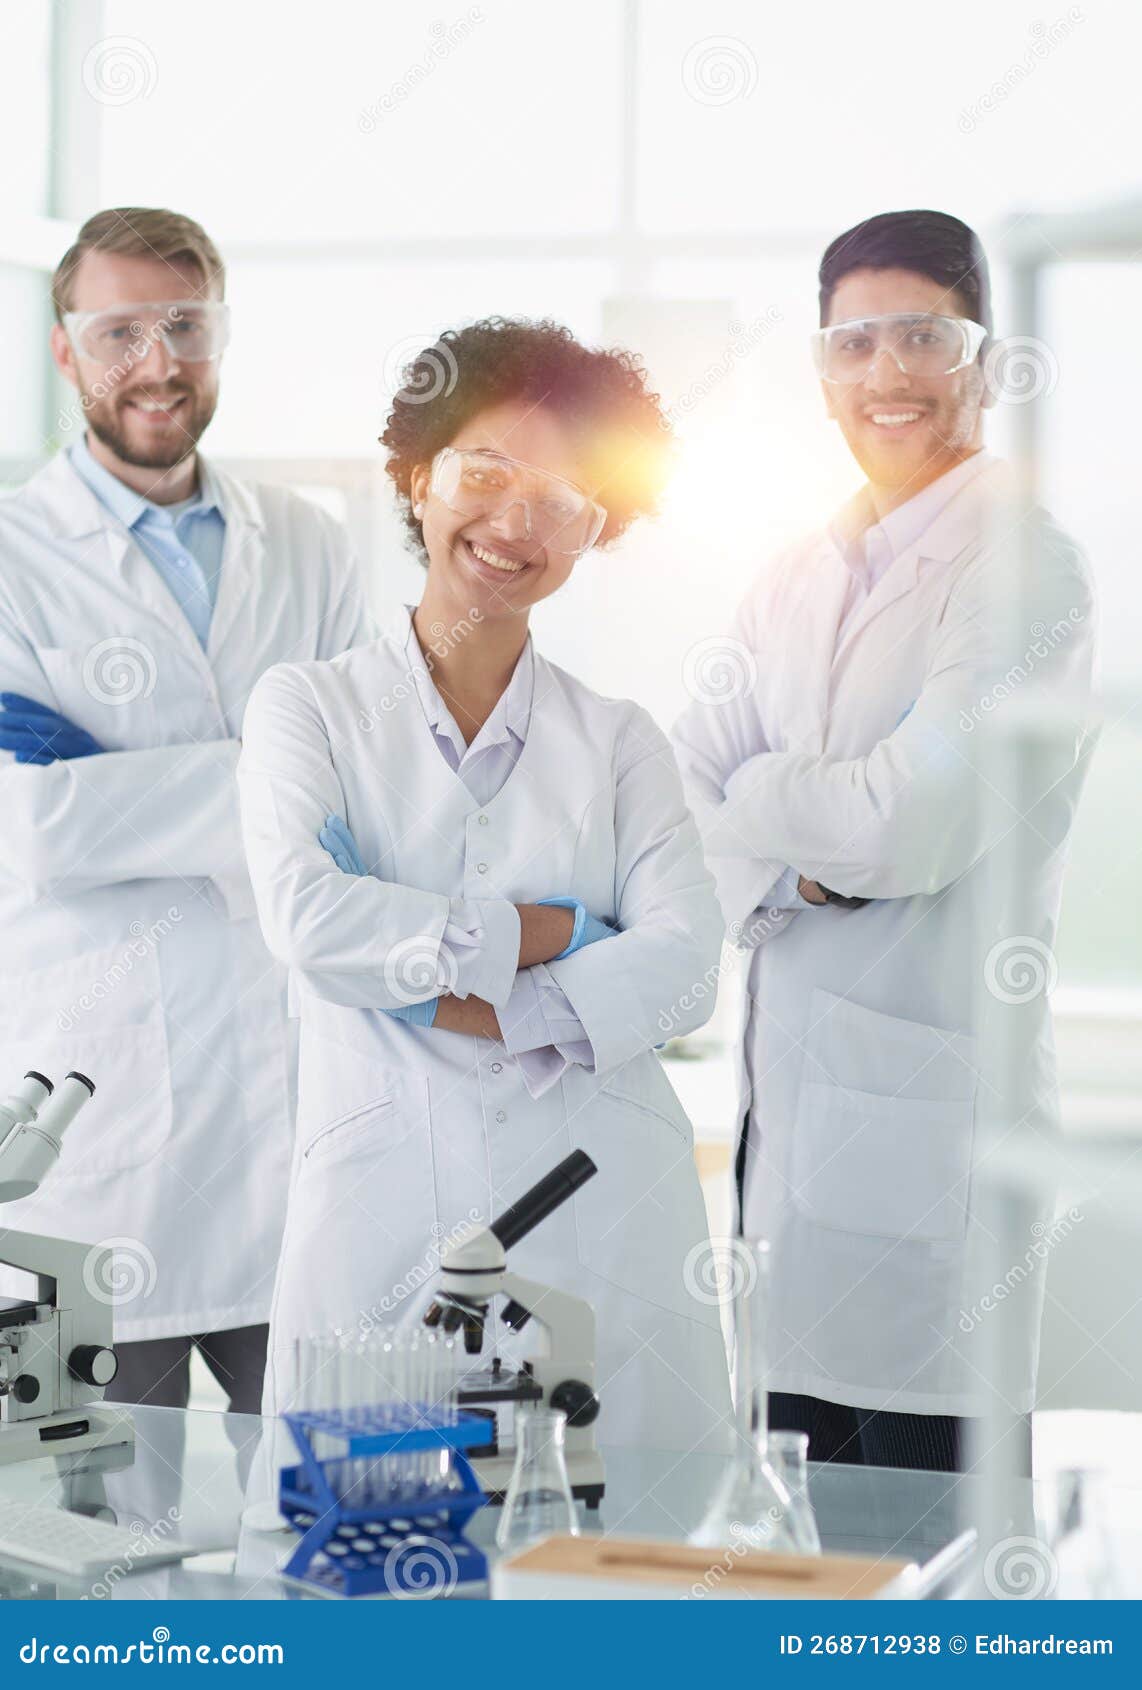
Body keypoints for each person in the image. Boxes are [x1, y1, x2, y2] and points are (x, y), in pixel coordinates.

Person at [237, 318, 732, 1451]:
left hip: (604, 1215)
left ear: (597, 528)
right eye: (485, 470)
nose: (516, 521)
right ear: (417, 477)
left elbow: (685, 969)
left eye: (565, 496)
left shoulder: (619, 741)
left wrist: (425, 981)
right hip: (380, 1211)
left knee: (614, 1582)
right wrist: (556, 933)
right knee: (370, 1566)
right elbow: (308, 923)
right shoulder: (304, 709)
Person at [673, 210, 1097, 1472]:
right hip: (781, 1169)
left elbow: (907, 826)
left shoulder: (1027, 570)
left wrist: (779, 819)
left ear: (983, 357)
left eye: (922, 335)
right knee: (793, 1577)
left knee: (932, 1598)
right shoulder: (785, 573)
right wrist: (801, 839)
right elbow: (682, 802)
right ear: (818, 369)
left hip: (932, 1191)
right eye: (851, 343)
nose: (886, 374)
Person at [0, 207, 369, 1412]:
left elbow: (366, 793)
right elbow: (28, 829)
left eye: (184, 326)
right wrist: (273, 782)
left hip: (296, 1132)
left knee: (327, 1538)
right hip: (98, 1145)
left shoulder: (310, 547)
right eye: (118, 332)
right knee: (98, 1556)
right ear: (64, 351)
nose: (155, 363)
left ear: (221, 337)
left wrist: (110, 789)